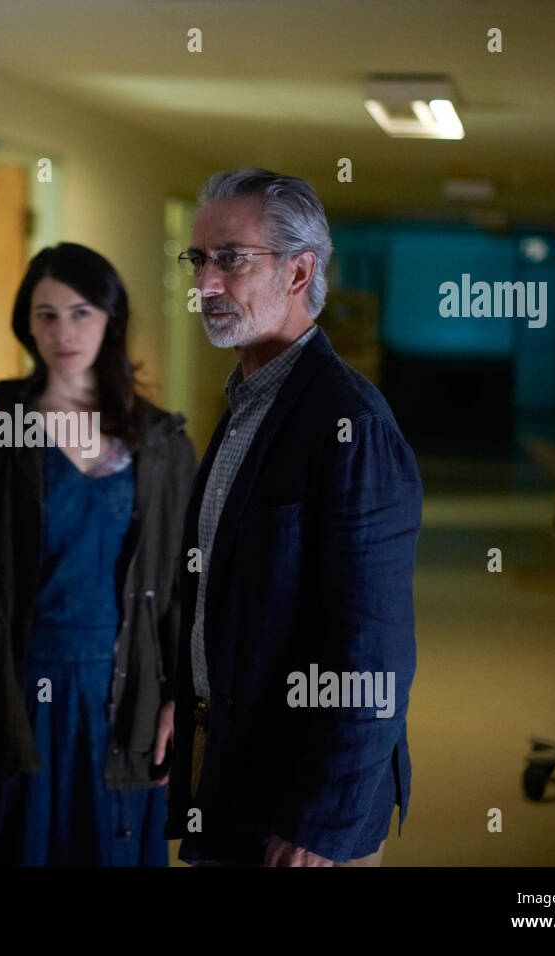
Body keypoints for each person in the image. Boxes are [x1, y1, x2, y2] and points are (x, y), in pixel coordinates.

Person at [164, 168, 421, 867]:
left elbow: (374, 649)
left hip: (304, 803)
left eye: (230, 259)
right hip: (232, 772)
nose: (205, 284)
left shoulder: (349, 423)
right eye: (198, 260)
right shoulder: (248, 401)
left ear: (300, 269)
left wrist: (323, 820)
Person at [0, 242, 197, 866]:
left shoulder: (162, 445)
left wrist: (182, 698)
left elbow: (189, 590)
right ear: (26, 324)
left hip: (124, 686)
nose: (63, 332)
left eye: (80, 313)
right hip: (18, 690)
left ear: (111, 319)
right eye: (45, 315)